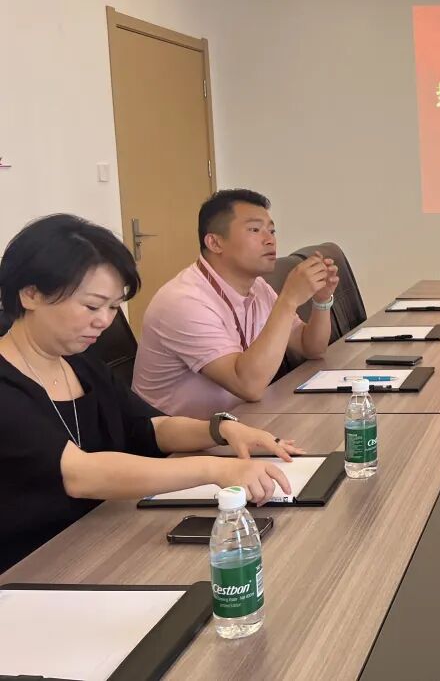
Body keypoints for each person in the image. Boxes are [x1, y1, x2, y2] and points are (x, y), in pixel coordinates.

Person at [0, 214, 303, 573]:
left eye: (114, 307)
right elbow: (81, 474)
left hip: (106, 537)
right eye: (92, 306)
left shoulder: (79, 363)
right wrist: (215, 468)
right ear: (31, 294)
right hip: (35, 567)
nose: (104, 321)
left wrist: (221, 429)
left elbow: (149, 427)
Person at [133, 189, 339, 419]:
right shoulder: (184, 301)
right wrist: (289, 300)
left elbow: (311, 347)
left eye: (272, 231)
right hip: (179, 437)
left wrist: (321, 301)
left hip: (238, 421)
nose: (270, 239)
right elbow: (249, 386)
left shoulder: (258, 287)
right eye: (255, 230)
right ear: (215, 243)